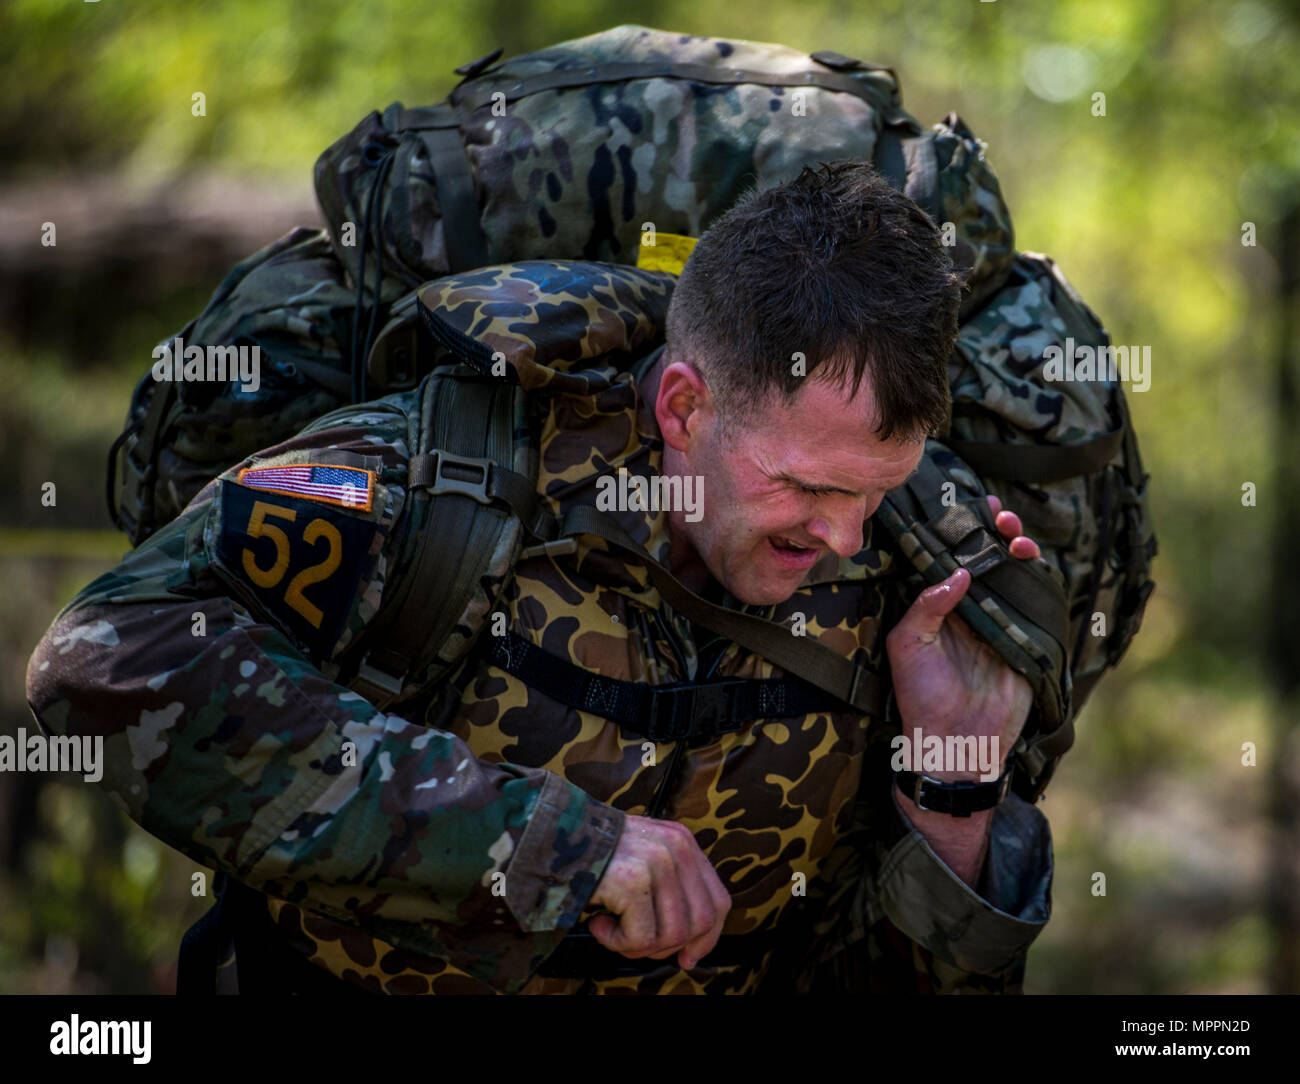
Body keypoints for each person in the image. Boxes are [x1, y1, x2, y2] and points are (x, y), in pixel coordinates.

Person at [26, 161, 1053, 995]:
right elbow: (99, 662)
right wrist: (548, 846)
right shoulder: (435, 479)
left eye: (875, 491)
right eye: (804, 485)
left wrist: (953, 790)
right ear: (685, 408)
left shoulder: (907, 579)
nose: (842, 535)